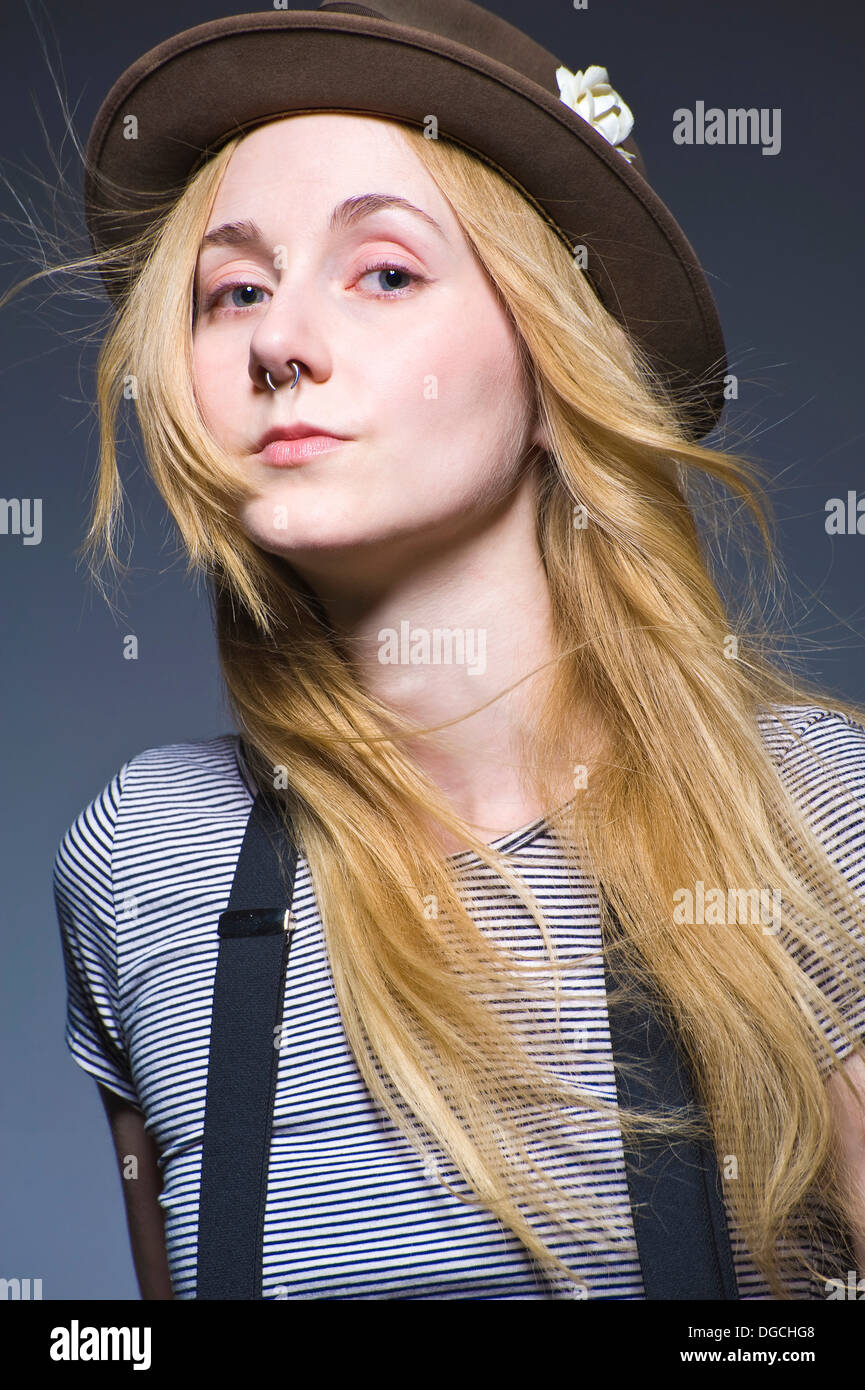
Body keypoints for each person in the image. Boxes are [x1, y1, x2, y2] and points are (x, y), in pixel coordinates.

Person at [17, 0, 865, 1299]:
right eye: (234, 290)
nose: (277, 344)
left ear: (555, 361)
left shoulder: (805, 816)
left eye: (383, 273)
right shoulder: (144, 858)